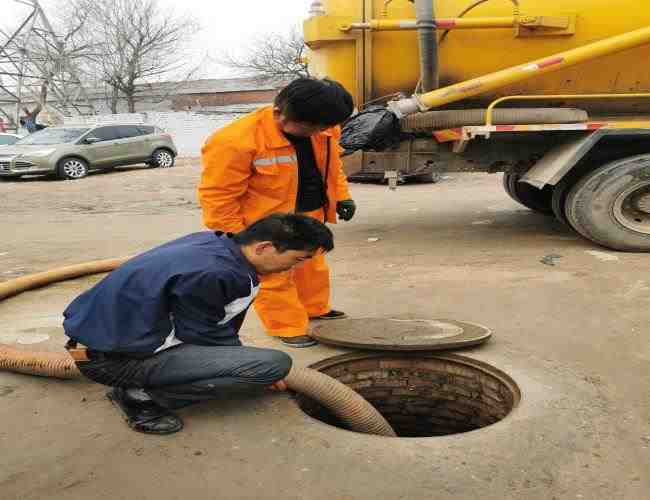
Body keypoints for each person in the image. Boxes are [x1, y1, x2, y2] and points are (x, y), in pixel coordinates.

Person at [62, 213, 335, 435]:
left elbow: (209, 323)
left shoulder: (213, 243)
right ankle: (140, 397)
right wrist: (253, 367)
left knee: (257, 362)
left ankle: (142, 383)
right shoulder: (219, 272)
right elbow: (203, 334)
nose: (295, 268)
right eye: (297, 259)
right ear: (264, 247)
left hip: (104, 341)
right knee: (274, 364)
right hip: (112, 361)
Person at [199, 78, 357, 349]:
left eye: (323, 127)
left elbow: (332, 168)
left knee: (312, 264)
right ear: (279, 111)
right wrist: (235, 237)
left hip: (309, 211)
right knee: (274, 275)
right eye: (310, 127)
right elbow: (218, 195)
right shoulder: (234, 141)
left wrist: (342, 195)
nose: (318, 132)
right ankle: (287, 325)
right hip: (265, 225)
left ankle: (315, 309)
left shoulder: (325, 130)